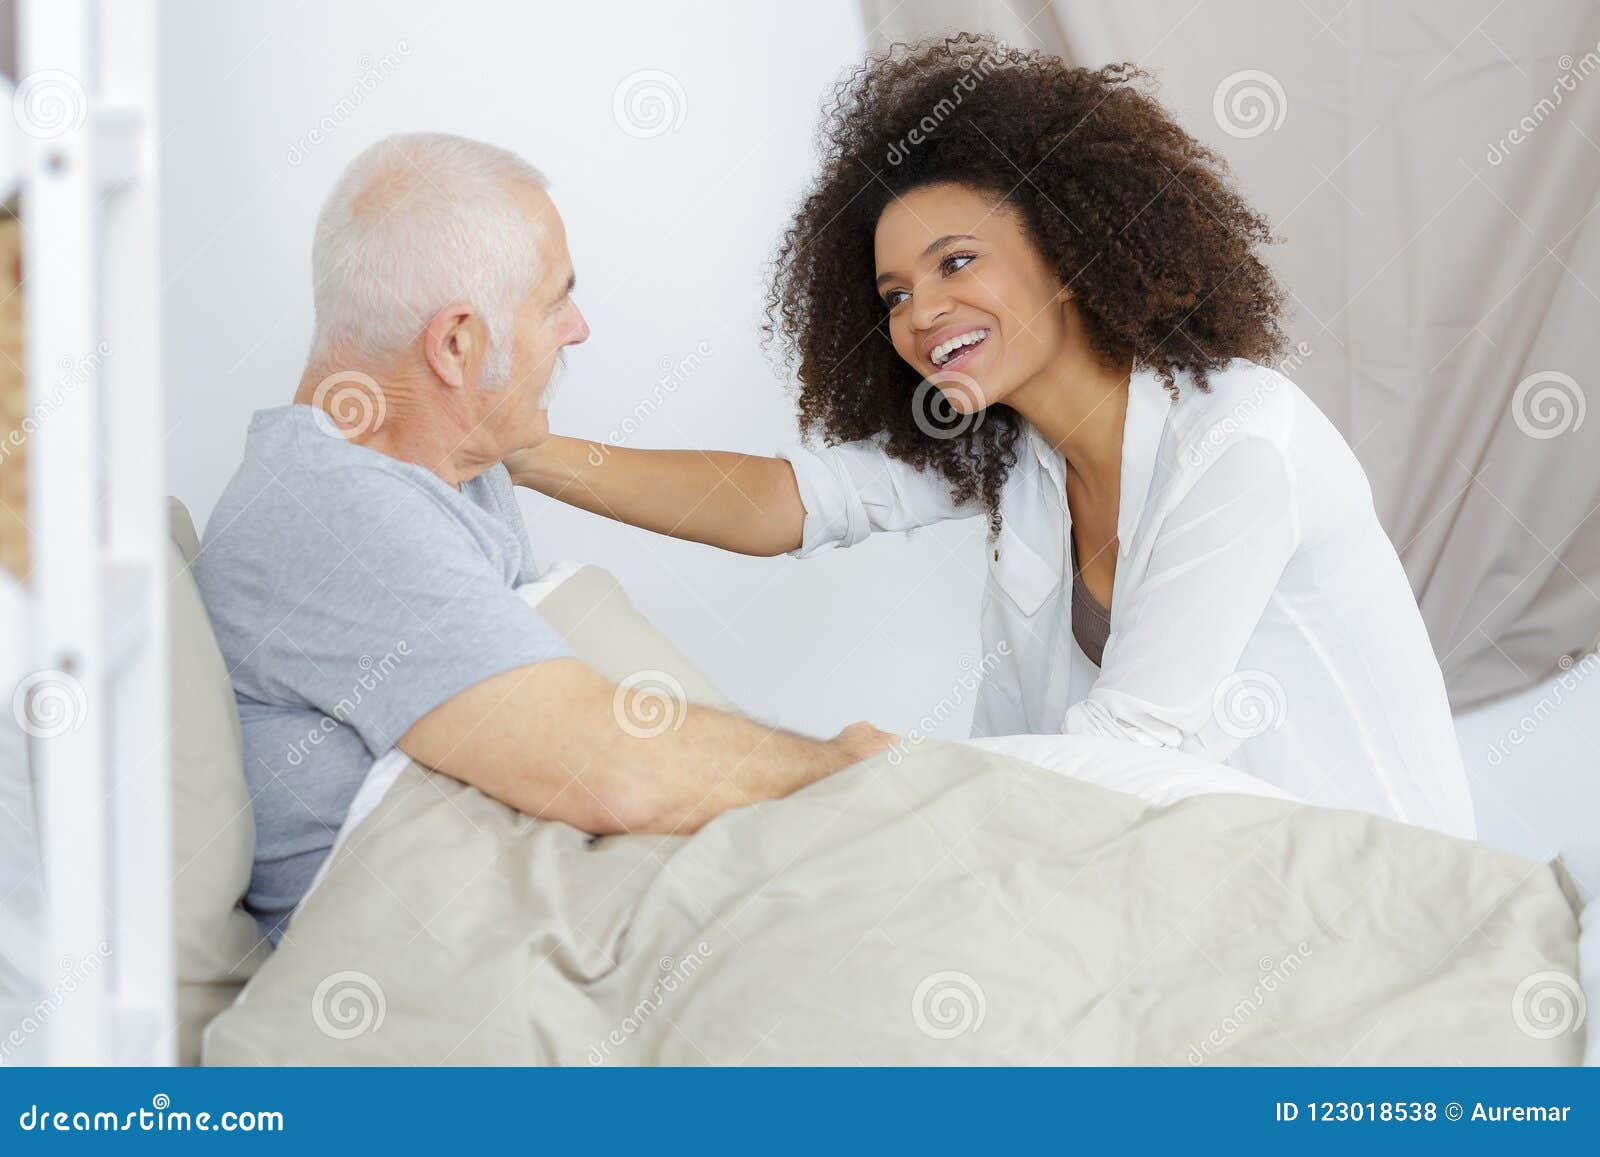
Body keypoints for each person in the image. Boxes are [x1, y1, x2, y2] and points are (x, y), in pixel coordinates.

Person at [508, 37, 1475, 838]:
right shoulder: (1015, 447)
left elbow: (1131, 748)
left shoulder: (1238, 443)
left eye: (956, 261)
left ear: (1066, 250)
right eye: (895, 295)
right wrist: (521, 450)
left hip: (1377, 923)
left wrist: (883, 776)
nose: (923, 312)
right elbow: (794, 500)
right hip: (1213, 899)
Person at [195, 134, 893, 941]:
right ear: (456, 344)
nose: (580, 327)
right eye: (556, 299)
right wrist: (840, 769)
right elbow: (618, 769)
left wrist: (508, 441)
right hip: (434, 982)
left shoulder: (439, 463)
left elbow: (759, 500)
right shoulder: (337, 513)